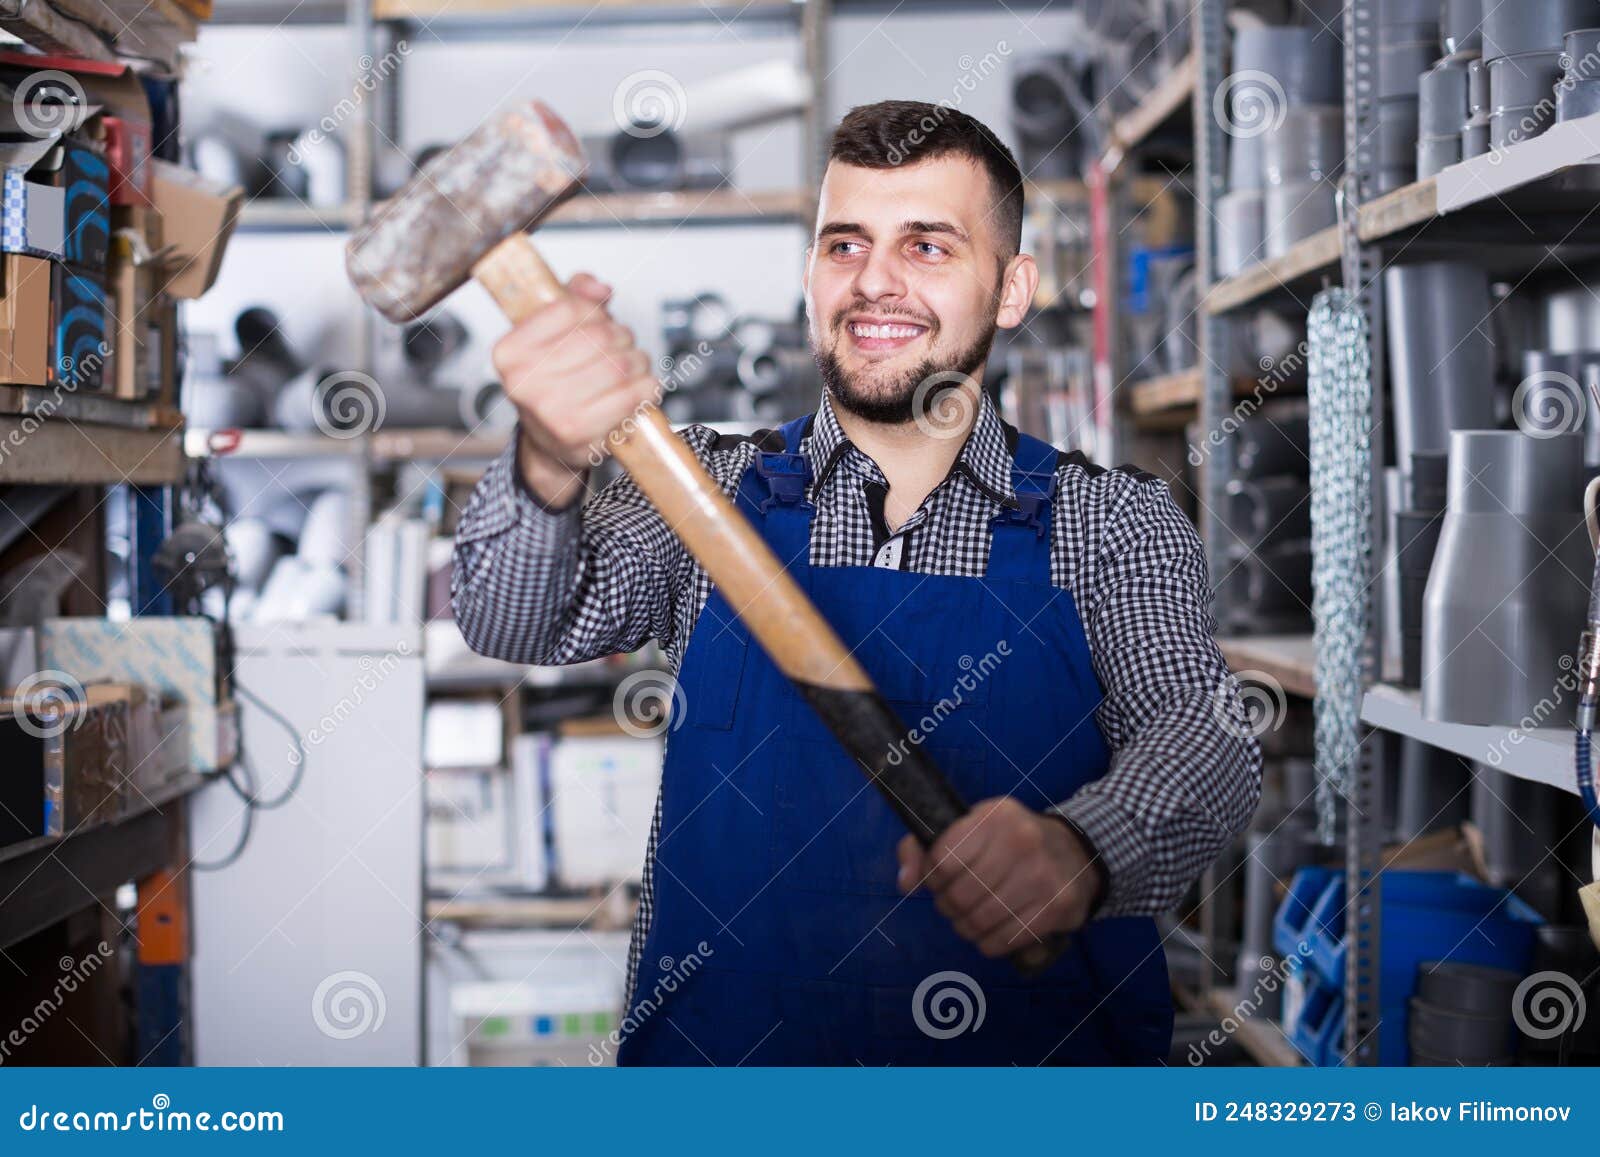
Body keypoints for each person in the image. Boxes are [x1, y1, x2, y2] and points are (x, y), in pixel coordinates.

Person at [452, 99, 1262, 1065]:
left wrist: (1083, 850)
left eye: (927, 247)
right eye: (844, 246)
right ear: (808, 277)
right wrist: (547, 457)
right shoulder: (702, 490)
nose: (874, 282)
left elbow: (1206, 743)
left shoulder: (1109, 523)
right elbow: (508, 620)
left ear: (1011, 289)